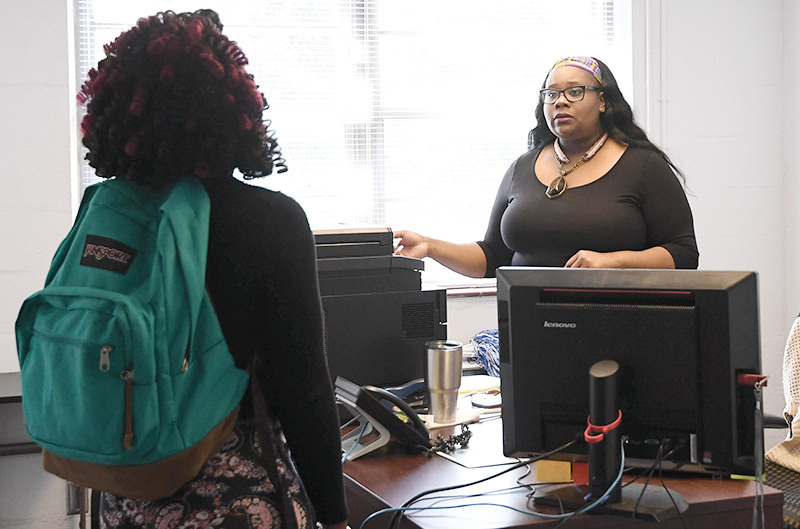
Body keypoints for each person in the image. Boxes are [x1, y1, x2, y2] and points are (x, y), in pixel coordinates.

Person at [77, 10, 348, 529]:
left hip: (125, 501)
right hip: (238, 502)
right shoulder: (271, 220)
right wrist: (336, 518)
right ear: (233, 107)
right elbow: (306, 393)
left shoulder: (104, 215)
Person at [394, 56, 698, 276]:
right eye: (551, 94)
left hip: (618, 323)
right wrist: (430, 246)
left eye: (575, 91)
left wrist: (614, 261)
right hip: (530, 327)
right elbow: (492, 256)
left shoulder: (643, 165)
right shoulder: (522, 167)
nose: (560, 101)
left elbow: (683, 254)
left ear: (603, 101)